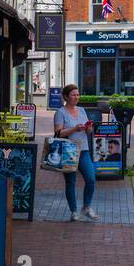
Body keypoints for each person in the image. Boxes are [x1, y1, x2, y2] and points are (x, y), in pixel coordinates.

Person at [53, 84, 98, 221]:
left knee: (91, 179)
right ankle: (73, 211)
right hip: (68, 151)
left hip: (83, 149)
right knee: (70, 182)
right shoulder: (60, 112)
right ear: (66, 97)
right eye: (73, 94)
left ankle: (86, 207)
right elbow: (58, 133)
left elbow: (88, 132)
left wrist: (88, 128)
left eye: (78, 94)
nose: (76, 97)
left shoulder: (82, 110)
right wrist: (74, 129)